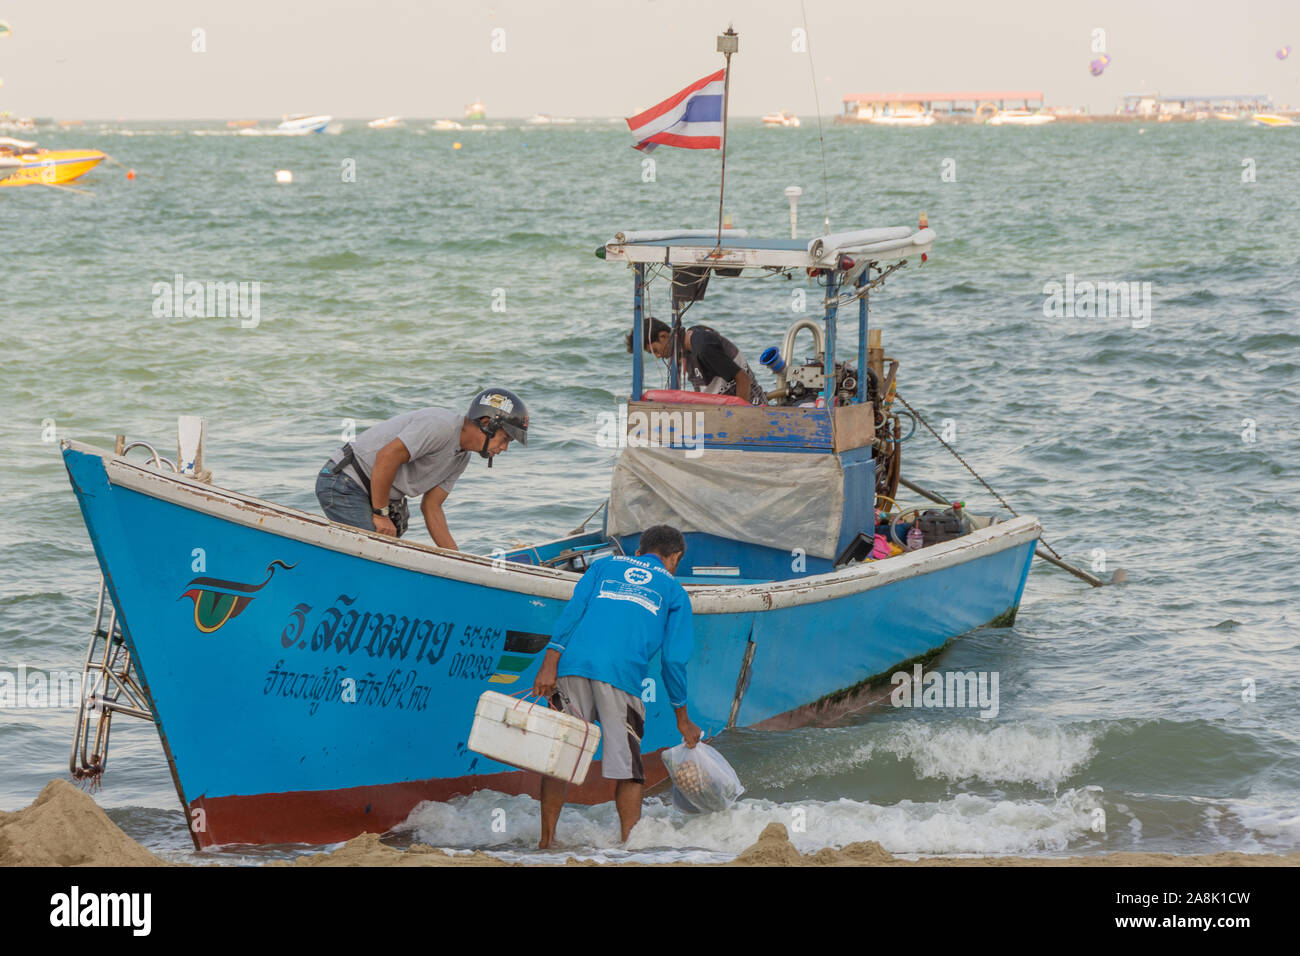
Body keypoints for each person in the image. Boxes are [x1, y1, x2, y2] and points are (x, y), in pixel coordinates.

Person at [531, 524, 702, 848]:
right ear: (675, 557)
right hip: (621, 678)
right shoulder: (675, 592)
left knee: (560, 760)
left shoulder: (604, 565)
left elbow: (573, 612)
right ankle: (628, 848)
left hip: (571, 668)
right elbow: (674, 660)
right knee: (629, 770)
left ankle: (545, 844)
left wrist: (548, 663)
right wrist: (682, 718)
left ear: (638, 551)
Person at [315, 387, 528, 549]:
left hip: (374, 492)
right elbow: (386, 457)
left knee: (389, 550)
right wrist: (381, 514)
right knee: (376, 551)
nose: (505, 448)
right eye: (505, 439)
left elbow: (432, 508)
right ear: (486, 423)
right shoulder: (440, 426)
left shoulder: (460, 458)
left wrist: (459, 562)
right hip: (345, 481)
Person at [627, 317, 767, 405]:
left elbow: (743, 379)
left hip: (753, 407)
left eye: (655, 350)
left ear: (663, 336)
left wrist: (741, 418)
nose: (658, 356)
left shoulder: (703, 347)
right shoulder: (685, 351)